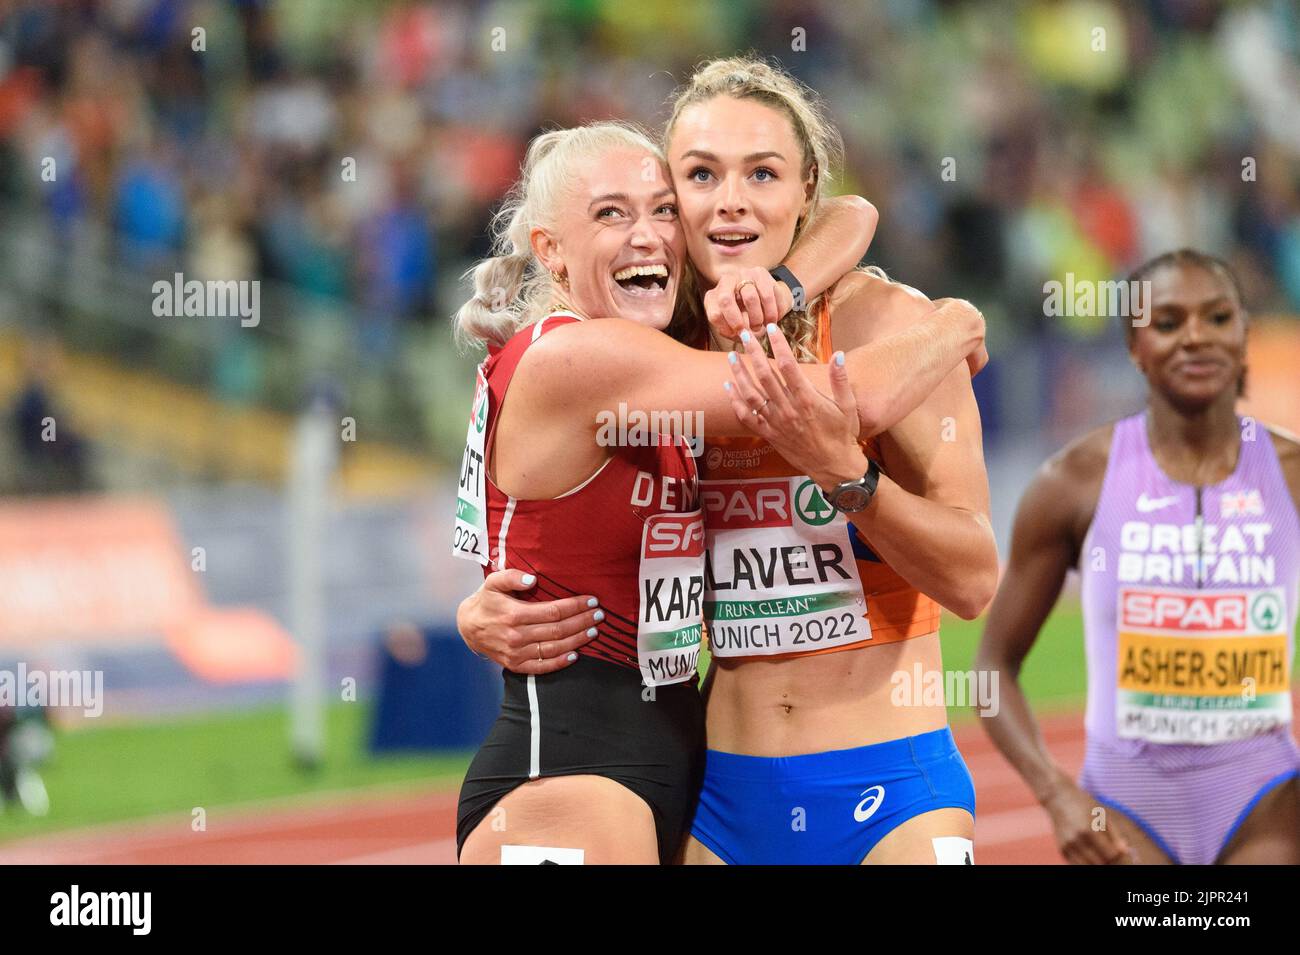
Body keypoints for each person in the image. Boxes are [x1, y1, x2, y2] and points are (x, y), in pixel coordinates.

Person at [458, 58, 998, 865]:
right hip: (716, 803)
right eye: (701, 175)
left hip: (892, 789)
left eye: (763, 173)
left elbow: (974, 578)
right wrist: (479, 610)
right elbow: (546, 507)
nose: (732, 200)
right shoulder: (661, 345)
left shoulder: (889, 326)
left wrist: (857, 483)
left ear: (804, 191)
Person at [976, 249, 1300, 865]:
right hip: (1123, 809)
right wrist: (1055, 795)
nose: (1196, 338)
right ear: (1133, 345)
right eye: (1169, 323)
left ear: (1245, 335)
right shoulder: (1073, 482)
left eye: (1217, 317)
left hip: (1265, 802)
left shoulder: (1292, 474)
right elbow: (993, 668)